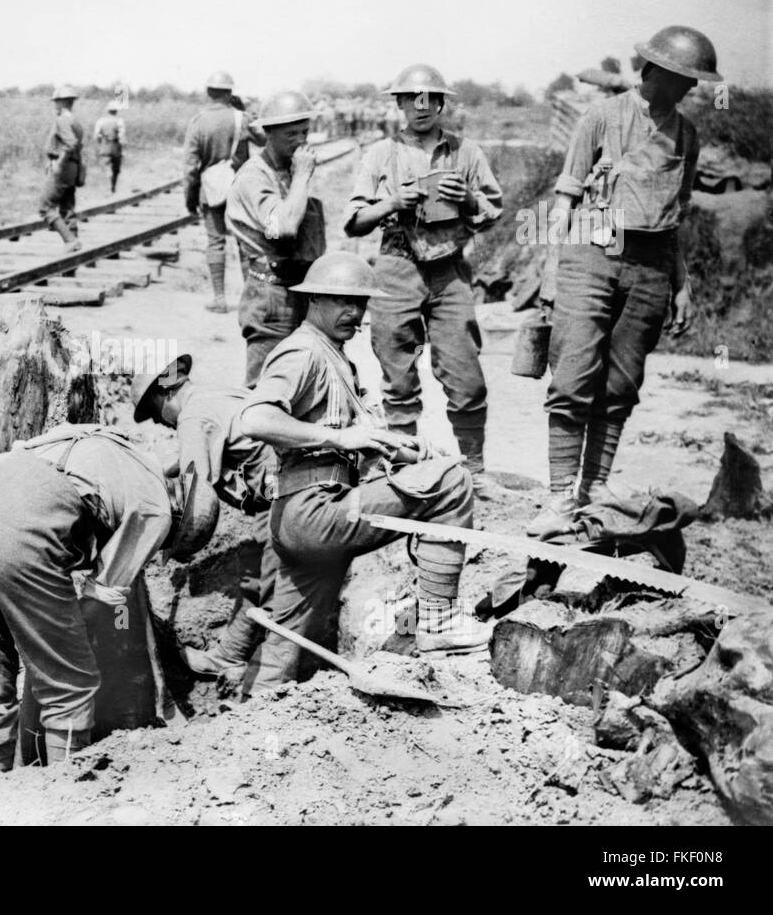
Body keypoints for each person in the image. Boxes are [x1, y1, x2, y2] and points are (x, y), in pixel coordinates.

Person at [237, 253, 491, 695]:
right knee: (451, 483)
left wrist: (391, 445)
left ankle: (252, 731)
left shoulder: (334, 357)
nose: (355, 313)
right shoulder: (302, 351)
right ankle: (437, 622)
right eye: (342, 301)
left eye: (360, 302)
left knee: (290, 641)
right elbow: (256, 420)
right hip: (314, 511)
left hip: (305, 517)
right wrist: (341, 440)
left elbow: (347, 441)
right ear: (314, 299)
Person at [0, 424, 219, 772]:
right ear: (179, 522)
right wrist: (72, 642)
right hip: (24, 523)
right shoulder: (158, 510)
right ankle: (66, 793)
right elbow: (104, 598)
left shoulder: (121, 450)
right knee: (71, 683)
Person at [529, 26, 715, 538]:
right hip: (591, 253)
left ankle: (596, 487)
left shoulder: (687, 135)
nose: (692, 90)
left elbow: (678, 216)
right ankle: (559, 498)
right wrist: (550, 270)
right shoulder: (602, 117)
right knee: (572, 378)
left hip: (652, 265)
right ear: (656, 71)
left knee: (621, 383)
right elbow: (566, 196)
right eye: (685, 79)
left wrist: (683, 285)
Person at [342, 63, 506, 496]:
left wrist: (468, 198)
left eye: (430, 99)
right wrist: (392, 201)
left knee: (465, 373)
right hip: (396, 266)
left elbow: (493, 213)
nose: (422, 108)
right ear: (397, 104)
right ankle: (406, 465)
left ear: (441, 104)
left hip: (450, 270)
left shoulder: (466, 152)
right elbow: (354, 221)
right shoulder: (380, 154)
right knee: (397, 375)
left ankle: (475, 469)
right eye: (411, 100)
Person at [130, 355, 278, 676]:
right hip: (300, 478)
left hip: (282, 495)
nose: (161, 424)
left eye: (156, 416)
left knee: (261, 573)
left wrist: (173, 550)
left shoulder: (191, 418)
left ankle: (232, 657)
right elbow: (190, 454)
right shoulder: (217, 393)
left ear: (166, 394)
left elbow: (198, 504)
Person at [225, 89, 327, 386]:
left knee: (301, 382)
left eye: (304, 132)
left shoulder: (288, 171)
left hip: (299, 289)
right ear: (268, 133)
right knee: (266, 389)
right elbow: (282, 227)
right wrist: (302, 177)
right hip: (272, 295)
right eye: (291, 134)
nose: (301, 141)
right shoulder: (254, 175)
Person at [182, 71, 252, 314]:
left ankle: (220, 298)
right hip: (240, 188)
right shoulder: (242, 118)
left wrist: (190, 199)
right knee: (245, 243)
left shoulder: (198, 122)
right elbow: (265, 140)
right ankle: (249, 299)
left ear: (209, 92)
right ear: (230, 92)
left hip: (211, 189)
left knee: (215, 241)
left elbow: (190, 168)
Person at [39, 85, 86, 250]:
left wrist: (59, 163)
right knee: (67, 209)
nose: (55, 106)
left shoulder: (61, 120)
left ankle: (70, 240)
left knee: (45, 208)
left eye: (56, 102)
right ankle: (75, 246)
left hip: (62, 168)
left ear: (62, 103)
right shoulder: (75, 122)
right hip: (72, 168)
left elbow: (70, 143)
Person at [93, 100, 126, 194]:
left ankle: (108, 183)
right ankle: (113, 187)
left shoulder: (101, 121)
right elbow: (122, 136)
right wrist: (122, 147)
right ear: (116, 111)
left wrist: (101, 141)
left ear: (108, 110)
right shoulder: (119, 121)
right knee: (116, 168)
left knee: (105, 165)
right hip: (115, 146)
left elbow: (96, 135)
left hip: (104, 145)